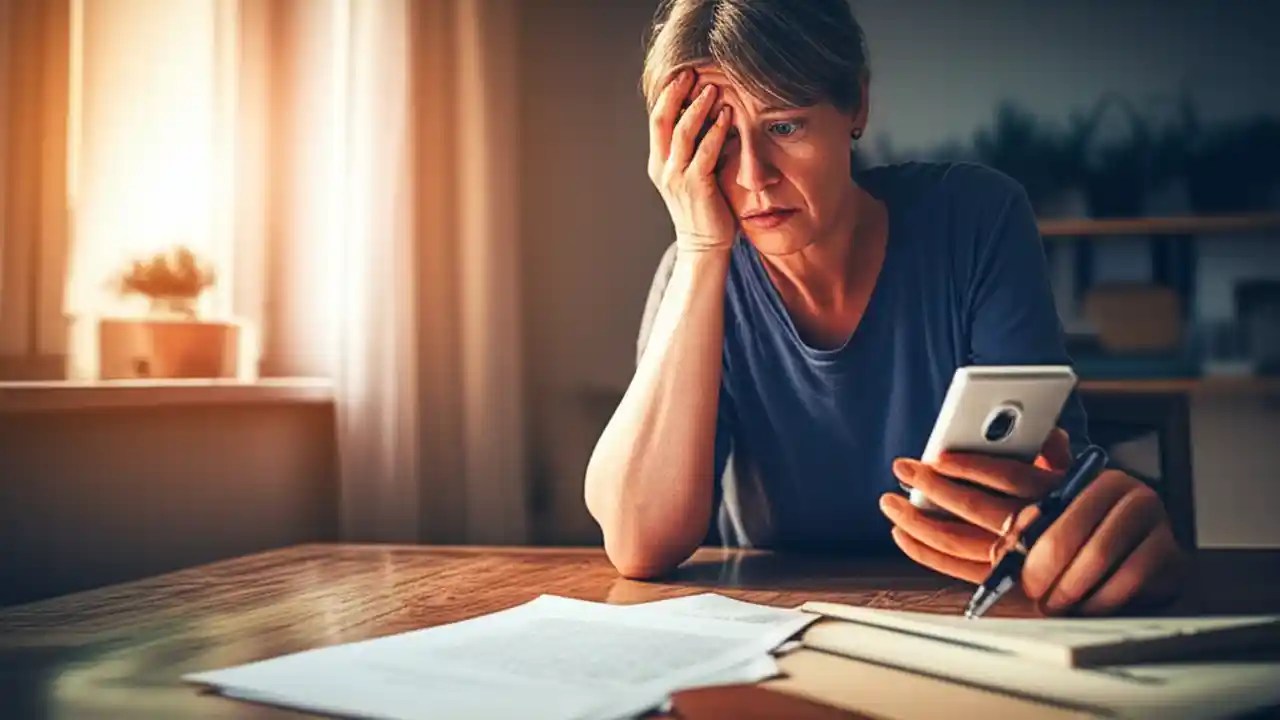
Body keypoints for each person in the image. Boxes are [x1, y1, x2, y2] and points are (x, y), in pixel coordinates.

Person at [584, 0, 1185, 615]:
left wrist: (1092, 525)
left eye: (784, 127)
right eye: (720, 139)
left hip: (972, 614)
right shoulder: (692, 276)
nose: (754, 178)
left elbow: (1050, 486)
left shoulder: (974, 220)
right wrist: (700, 248)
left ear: (857, 105)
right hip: (780, 623)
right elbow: (639, 545)